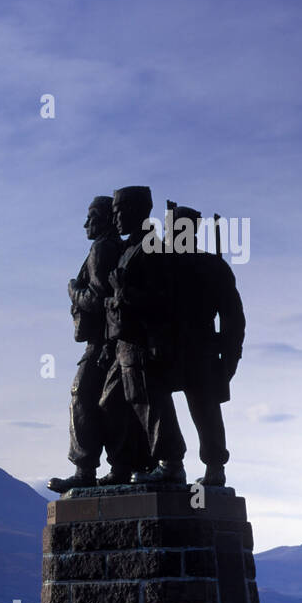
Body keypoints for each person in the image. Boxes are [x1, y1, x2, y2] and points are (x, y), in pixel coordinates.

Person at [47, 197, 141, 491]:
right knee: (112, 404)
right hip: (112, 342)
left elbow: (98, 300)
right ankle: (118, 466)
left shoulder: (101, 249)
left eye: (92, 217)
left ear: (105, 220)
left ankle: (85, 469)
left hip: (103, 343)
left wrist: (73, 291)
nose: (86, 224)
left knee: (82, 395)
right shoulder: (115, 247)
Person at [99, 185, 188, 485]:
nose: (116, 218)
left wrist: (125, 294)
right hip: (122, 341)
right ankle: (124, 464)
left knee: (150, 400)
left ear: (138, 211)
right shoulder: (126, 249)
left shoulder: (152, 247)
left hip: (143, 340)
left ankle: (171, 462)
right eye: (113, 212)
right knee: (110, 403)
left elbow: (165, 298)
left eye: (120, 211)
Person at [167, 205, 245, 486]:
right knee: (159, 405)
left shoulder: (211, 266)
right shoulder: (162, 264)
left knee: (205, 409)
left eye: (173, 228)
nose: (168, 233)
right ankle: (169, 462)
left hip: (198, 348)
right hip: (168, 347)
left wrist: (230, 358)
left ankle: (213, 467)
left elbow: (232, 318)